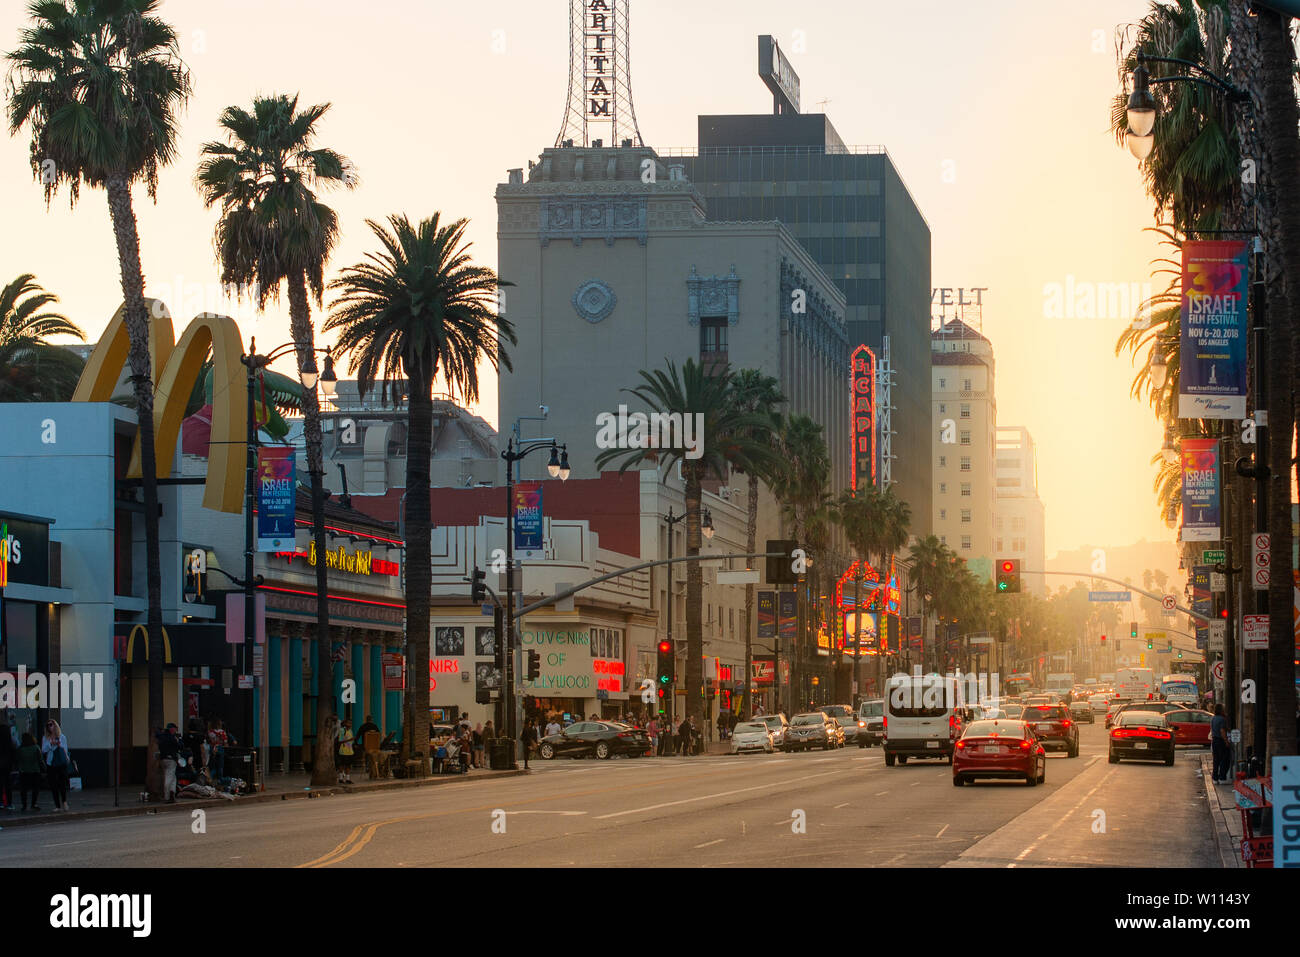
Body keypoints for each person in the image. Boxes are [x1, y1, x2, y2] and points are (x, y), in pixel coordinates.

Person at [42, 719, 71, 811]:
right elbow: (43, 750)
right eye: (48, 725)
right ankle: (57, 805)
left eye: (51, 724)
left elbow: (65, 749)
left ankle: (64, 802)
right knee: (53, 784)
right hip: (51, 763)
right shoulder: (46, 738)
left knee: (62, 783)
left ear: (55, 725)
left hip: (61, 763)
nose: (49, 727)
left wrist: (58, 744)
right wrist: (51, 744)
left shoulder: (62, 737)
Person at [17, 732, 43, 811]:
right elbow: (40, 760)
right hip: (35, 770)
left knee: (24, 789)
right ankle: (33, 804)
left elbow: (18, 760)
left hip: (24, 771)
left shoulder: (20, 749)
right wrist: (44, 768)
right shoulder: (36, 747)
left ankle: (24, 805)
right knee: (35, 789)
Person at [156, 722, 181, 803]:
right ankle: (167, 796)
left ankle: (172, 793)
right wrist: (178, 740)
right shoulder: (172, 737)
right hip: (171, 759)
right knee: (169, 777)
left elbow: (157, 735)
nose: (176, 731)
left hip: (163, 758)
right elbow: (179, 746)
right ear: (172, 729)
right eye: (175, 729)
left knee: (173, 777)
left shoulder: (161, 736)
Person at [1210, 704, 1231, 784]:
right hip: (1220, 741)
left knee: (1216, 759)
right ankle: (1222, 777)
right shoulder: (1222, 719)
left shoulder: (1213, 718)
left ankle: (1215, 778)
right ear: (1221, 710)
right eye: (1223, 708)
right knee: (1224, 759)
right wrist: (1226, 741)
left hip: (1214, 740)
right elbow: (1222, 731)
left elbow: (1214, 729)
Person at [336, 718, 356, 784]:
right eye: (348, 723)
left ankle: (348, 779)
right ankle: (340, 779)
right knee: (341, 765)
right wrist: (349, 740)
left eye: (351, 723)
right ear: (345, 723)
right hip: (343, 751)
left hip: (350, 751)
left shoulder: (350, 731)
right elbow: (340, 741)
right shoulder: (342, 730)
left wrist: (353, 743)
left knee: (348, 765)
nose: (350, 725)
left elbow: (352, 741)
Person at [0, 721, 14, 810]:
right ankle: (9, 803)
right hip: (7, 765)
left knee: (0, 784)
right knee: (8, 784)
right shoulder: (9, 742)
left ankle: (0, 802)